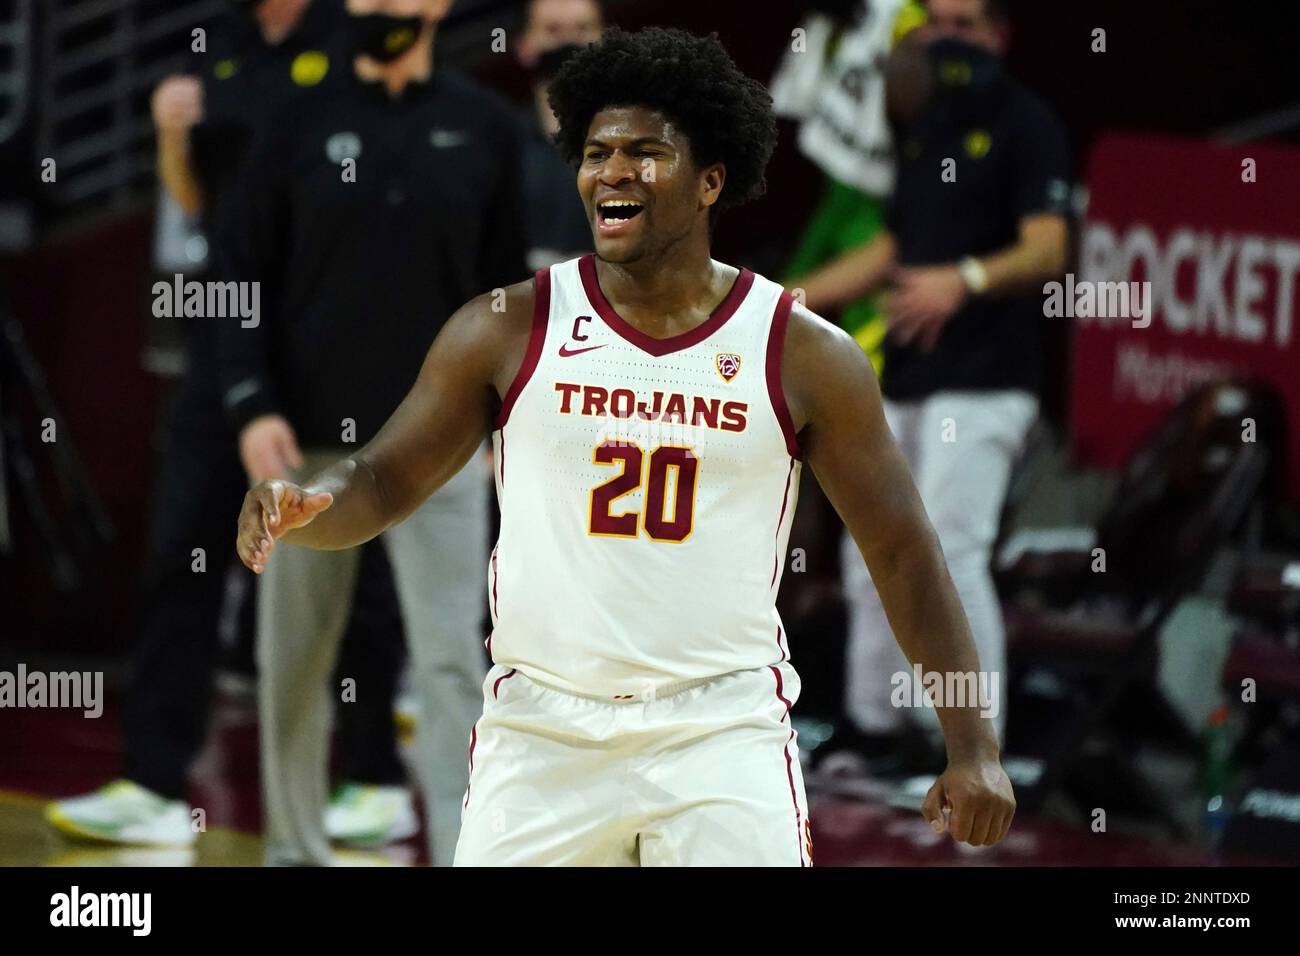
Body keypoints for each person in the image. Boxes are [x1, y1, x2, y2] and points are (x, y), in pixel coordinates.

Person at [233, 26, 1015, 866]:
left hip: (719, 731)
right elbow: (384, 478)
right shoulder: (506, 328)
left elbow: (903, 552)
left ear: (711, 180)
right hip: (544, 729)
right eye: (597, 150)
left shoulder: (803, 352)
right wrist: (307, 505)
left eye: (646, 152)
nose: (612, 170)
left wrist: (972, 744)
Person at [47, 0, 414, 851]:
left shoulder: (350, 37)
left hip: (325, 320)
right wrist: (171, 138)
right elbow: (195, 197)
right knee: (181, 545)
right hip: (225, 320)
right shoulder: (217, 49)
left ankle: (371, 775)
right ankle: (154, 780)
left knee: (348, 546)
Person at [216, 0, 527, 866]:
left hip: (443, 453)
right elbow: (235, 271)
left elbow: (509, 295)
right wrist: (252, 406)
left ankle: (467, 852)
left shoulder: (484, 128)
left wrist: (507, 416)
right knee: (295, 664)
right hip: (306, 449)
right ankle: (293, 851)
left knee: (451, 665)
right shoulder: (294, 121)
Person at [798, 0, 1072, 757]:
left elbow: (1049, 249)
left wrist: (966, 279)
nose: (951, 41)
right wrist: (789, 299)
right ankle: (875, 725)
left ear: (999, 34)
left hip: (987, 382)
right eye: (939, 24)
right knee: (872, 548)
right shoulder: (923, 127)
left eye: (968, 26)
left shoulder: (1028, 123)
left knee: (950, 550)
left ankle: (971, 746)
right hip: (909, 376)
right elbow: (893, 245)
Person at [513, 0, 603, 270]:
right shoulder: (499, 142)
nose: (569, 43)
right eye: (553, 30)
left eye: (583, 29)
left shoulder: (639, 141)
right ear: (525, 46)